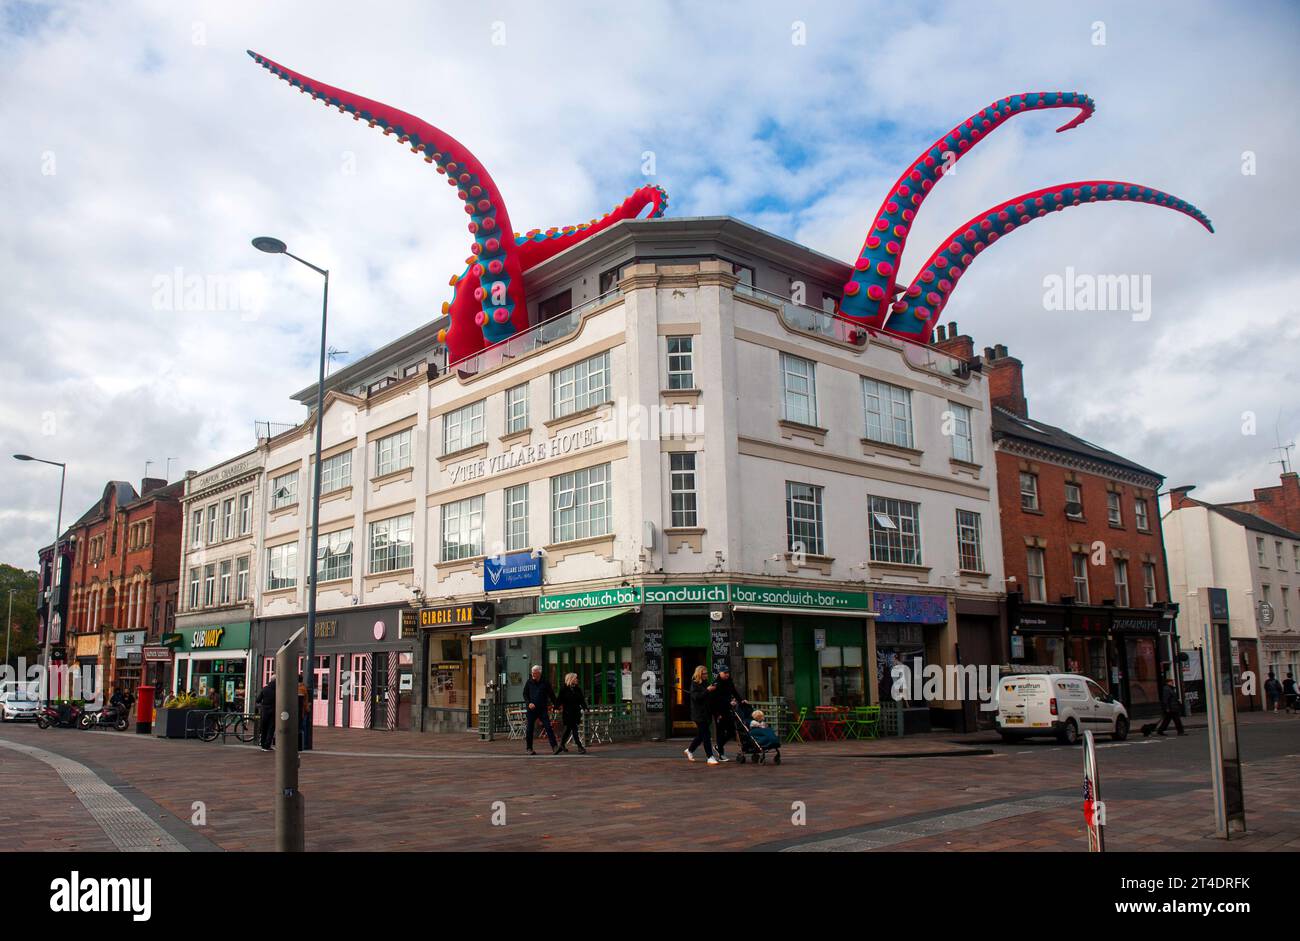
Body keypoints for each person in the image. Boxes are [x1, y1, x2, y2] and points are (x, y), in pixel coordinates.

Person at [709, 665, 747, 761]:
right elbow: (714, 700)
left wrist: (741, 700)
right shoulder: (716, 684)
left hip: (728, 710)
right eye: (724, 673)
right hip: (719, 712)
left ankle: (718, 746)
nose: (727, 674)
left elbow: (734, 692)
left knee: (731, 731)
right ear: (719, 673)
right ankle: (721, 754)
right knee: (720, 732)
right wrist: (717, 714)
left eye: (728, 672)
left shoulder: (729, 681)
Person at [684, 666, 718, 765]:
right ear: (699, 674)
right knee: (706, 735)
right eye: (704, 673)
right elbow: (696, 697)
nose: (706, 675)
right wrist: (707, 690)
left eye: (707, 673)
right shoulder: (694, 684)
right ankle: (710, 756)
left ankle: (690, 750)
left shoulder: (706, 683)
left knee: (701, 735)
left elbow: (709, 698)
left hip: (706, 713)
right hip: (699, 714)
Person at [522, 665, 559, 755]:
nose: (533, 675)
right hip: (531, 710)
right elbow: (525, 694)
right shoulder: (529, 682)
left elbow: (551, 695)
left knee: (548, 727)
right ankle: (529, 748)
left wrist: (556, 706)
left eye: (534, 673)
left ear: (539, 673)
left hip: (542, 709)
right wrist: (529, 703)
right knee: (529, 728)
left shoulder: (545, 682)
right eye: (532, 673)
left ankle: (555, 747)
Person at [556, 673, 588, 754]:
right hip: (567, 712)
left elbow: (581, 700)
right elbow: (559, 699)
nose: (577, 680)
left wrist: (585, 707)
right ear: (571, 679)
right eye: (576, 678)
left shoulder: (578, 689)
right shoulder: (564, 689)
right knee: (574, 729)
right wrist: (556, 707)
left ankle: (561, 745)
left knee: (567, 729)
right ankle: (579, 746)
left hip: (576, 712)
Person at [256, 676, 277, 751]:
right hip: (274, 710)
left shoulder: (265, 689)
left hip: (264, 710)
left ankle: (263, 745)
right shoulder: (278, 690)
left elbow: (258, 700)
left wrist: (263, 704)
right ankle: (267, 745)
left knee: (264, 727)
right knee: (271, 728)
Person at [296, 674, 309, 748]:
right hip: (303, 710)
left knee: (302, 727)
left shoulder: (300, 689)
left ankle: (302, 744)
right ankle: (304, 743)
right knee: (303, 727)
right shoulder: (303, 687)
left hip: (301, 711)